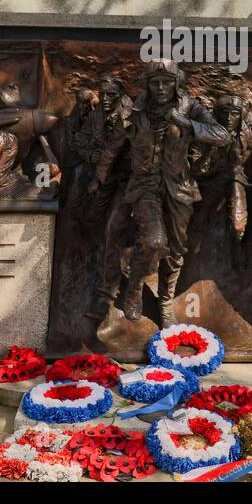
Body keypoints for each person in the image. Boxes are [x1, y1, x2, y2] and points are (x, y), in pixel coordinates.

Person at [89, 59, 230, 325]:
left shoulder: (191, 108)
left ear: (176, 83)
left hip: (179, 186)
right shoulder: (133, 111)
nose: (162, 87)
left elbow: (223, 136)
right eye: (156, 82)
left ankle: (165, 300)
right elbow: (113, 147)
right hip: (145, 186)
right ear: (148, 85)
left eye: (167, 82)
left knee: (176, 248)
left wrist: (187, 124)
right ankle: (133, 290)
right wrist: (98, 178)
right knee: (154, 241)